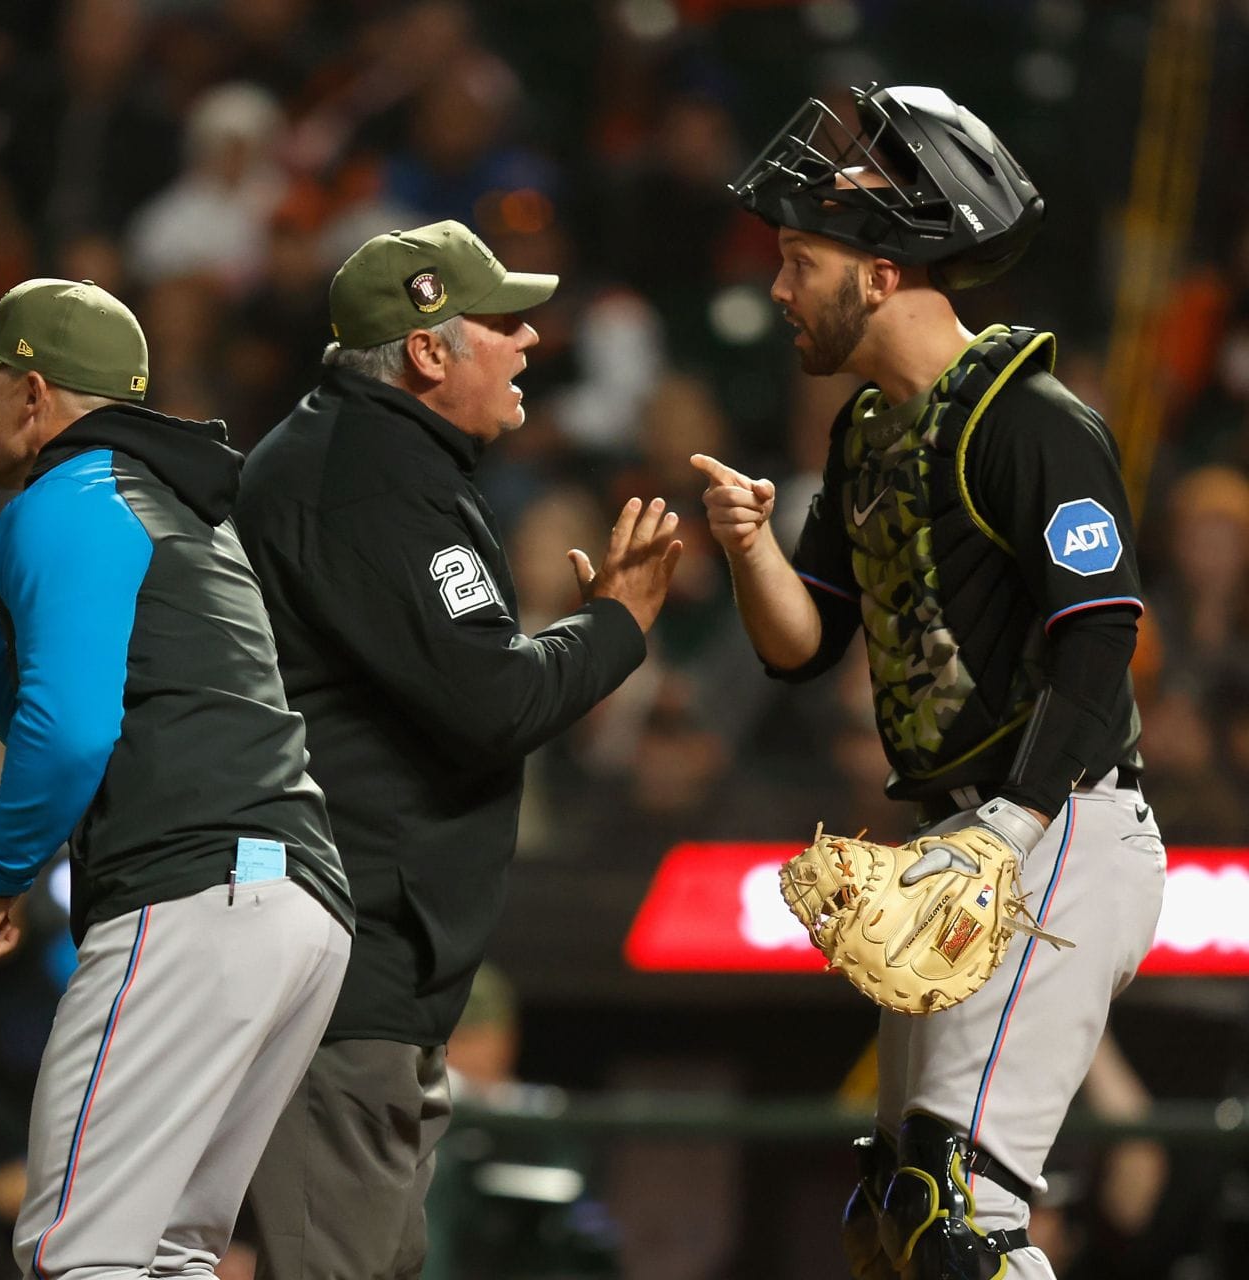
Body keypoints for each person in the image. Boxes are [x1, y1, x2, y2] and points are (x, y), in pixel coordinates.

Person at [702, 85, 1167, 1279]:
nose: (778, 288)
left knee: (959, 1220)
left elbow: (1101, 635)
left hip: (1059, 820)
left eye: (799, 259)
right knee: (892, 1225)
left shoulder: (1035, 419)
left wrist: (1009, 827)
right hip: (969, 842)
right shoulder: (868, 431)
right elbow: (803, 647)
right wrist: (752, 545)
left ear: (880, 273)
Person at [0, 276, 354, 1280]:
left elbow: (63, 738)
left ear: (32, 392)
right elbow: (43, 701)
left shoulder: (65, 498)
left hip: (192, 893)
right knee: (170, 1253)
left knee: (79, 1251)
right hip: (291, 903)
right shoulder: (162, 499)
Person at [233, 219, 682, 1280]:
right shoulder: (372, 476)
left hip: (355, 938)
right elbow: (491, 700)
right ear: (429, 350)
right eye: (501, 323)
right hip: (346, 946)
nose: (529, 340)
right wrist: (616, 624)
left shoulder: (363, 454)